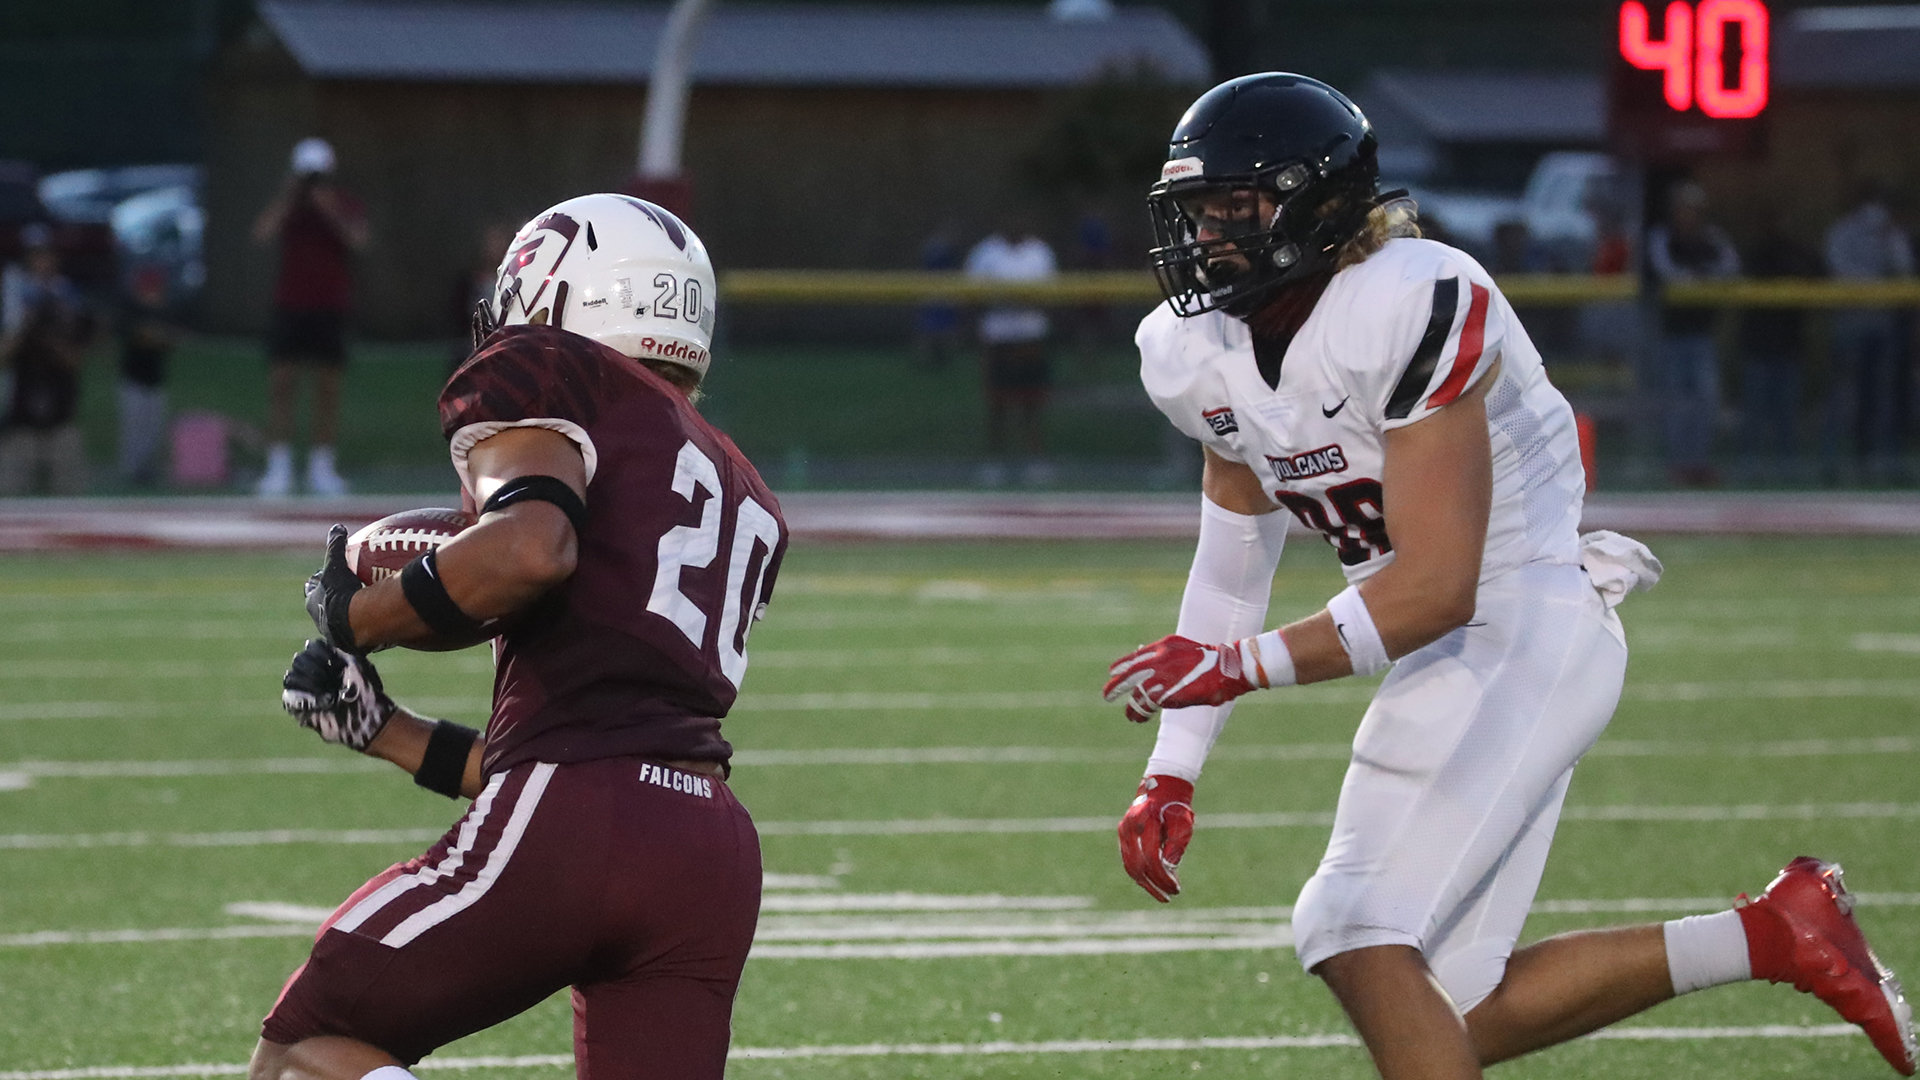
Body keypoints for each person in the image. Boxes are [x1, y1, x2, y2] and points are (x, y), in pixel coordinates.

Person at [1101, 73, 1917, 1080]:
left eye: (1235, 207)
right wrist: (1172, 769)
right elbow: (1233, 557)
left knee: (1351, 924)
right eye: (1196, 211)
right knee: (1457, 1008)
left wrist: (1241, 667)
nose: (1208, 236)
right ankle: (1774, 934)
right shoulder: (1197, 351)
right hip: (1445, 655)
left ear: (1315, 200)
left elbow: (1441, 586)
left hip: (1527, 618)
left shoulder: (1411, 297)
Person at [250, 193, 787, 1080]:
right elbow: (609, 752)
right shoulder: (739, 483)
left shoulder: (550, 369)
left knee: (301, 1051)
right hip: (707, 852)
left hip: (577, 824)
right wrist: (388, 734)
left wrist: (358, 616)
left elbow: (531, 549)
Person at [252, 136, 368, 498]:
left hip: (330, 304)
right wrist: (289, 198)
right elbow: (261, 235)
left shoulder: (341, 203)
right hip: (290, 303)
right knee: (282, 385)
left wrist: (329, 209)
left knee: (327, 389)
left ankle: (322, 467)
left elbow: (359, 241)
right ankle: (279, 467)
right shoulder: (289, 206)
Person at [1645, 181, 1739, 487]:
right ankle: (1678, 465)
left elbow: (1730, 266)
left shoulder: (1711, 237)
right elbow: (1668, 272)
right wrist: (1697, 279)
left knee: (1706, 400)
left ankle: (1698, 464)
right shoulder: (1663, 237)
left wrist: (1702, 279)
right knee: (1677, 402)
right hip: (1673, 333)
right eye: (1684, 208)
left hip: (1702, 332)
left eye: (1694, 209)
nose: (1689, 215)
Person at [1822, 186, 1916, 485]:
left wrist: (1888, 240)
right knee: (1845, 394)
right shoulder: (1842, 232)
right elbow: (1839, 269)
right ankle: (1833, 462)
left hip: (1884, 326)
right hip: (1851, 325)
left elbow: (1904, 269)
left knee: (1882, 396)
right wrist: (1874, 281)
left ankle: (1880, 463)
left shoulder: (1892, 234)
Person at [0, 224, 93, 496]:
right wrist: (24, 325)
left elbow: (77, 350)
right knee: (11, 492)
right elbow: (6, 351)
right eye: (37, 255)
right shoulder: (14, 294)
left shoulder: (65, 293)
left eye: (47, 255)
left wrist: (57, 343)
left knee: (69, 491)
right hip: (22, 403)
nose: (43, 261)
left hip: (60, 400)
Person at [964, 220, 1057, 485]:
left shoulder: (1040, 252)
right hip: (998, 336)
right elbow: (971, 296)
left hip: (1032, 336)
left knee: (1033, 402)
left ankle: (1036, 460)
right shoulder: (986, 252)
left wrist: (1026, 299)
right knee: (997, 403)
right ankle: (994, 461)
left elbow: (1053, 293)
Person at [1737, 216, 1822, 483]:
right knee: (1756, 413)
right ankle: (1748, 466)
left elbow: (1818, 273)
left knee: (1786, 414)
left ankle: (1787, 468)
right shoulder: (1756, 257)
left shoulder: (1799, 255)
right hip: (1759, 346)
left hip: (1788, 345)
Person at [116, 264, 175, 487]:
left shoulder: (164, 313)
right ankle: (132, 472)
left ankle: (147, 469)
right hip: (133, 379)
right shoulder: (132, 312)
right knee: (134, 427)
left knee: (154, 426)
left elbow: (169, 341)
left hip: (156, 379)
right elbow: (142, 337)